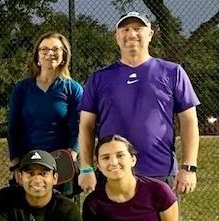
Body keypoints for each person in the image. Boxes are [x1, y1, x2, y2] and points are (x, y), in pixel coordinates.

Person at [77, 11, 200, 198]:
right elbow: (86, 126)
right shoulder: (98, 78)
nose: (131, 34)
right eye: (125, 29)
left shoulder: (173, 72)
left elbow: (189, 122)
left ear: (150, 34)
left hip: (160, 173)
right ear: (116, 36)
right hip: (112, 174)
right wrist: (86, 169)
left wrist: (189, 167)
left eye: (137, 29)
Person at [7, 32, 82, 197]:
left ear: (64, 56)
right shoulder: (22, 88)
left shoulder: (73, 89)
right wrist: (16, 164)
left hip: (60, 168)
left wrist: (71, 157)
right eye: (44, 49)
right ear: (37, 56)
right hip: (29, 164)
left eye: (56, 49)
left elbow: (79, 128)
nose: (50, 53)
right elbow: (14, 128)